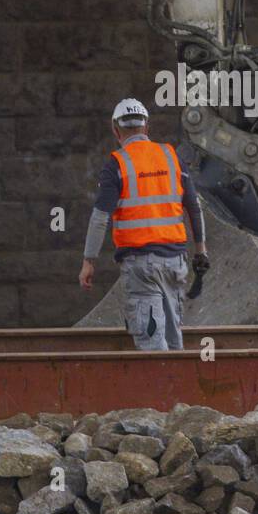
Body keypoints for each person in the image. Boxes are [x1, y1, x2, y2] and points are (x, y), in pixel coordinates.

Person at [78, 98, 208, 350]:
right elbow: (193, 206)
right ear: (146, 127)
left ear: (116, 130)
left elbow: (100, 217)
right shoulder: (171, 156)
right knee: (173, 338)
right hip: (175, 263)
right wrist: (201, 250)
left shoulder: (116, 164)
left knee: (152, 342)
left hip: (141, 267)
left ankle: (162, 387)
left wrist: (88, 262)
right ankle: (177, 386)